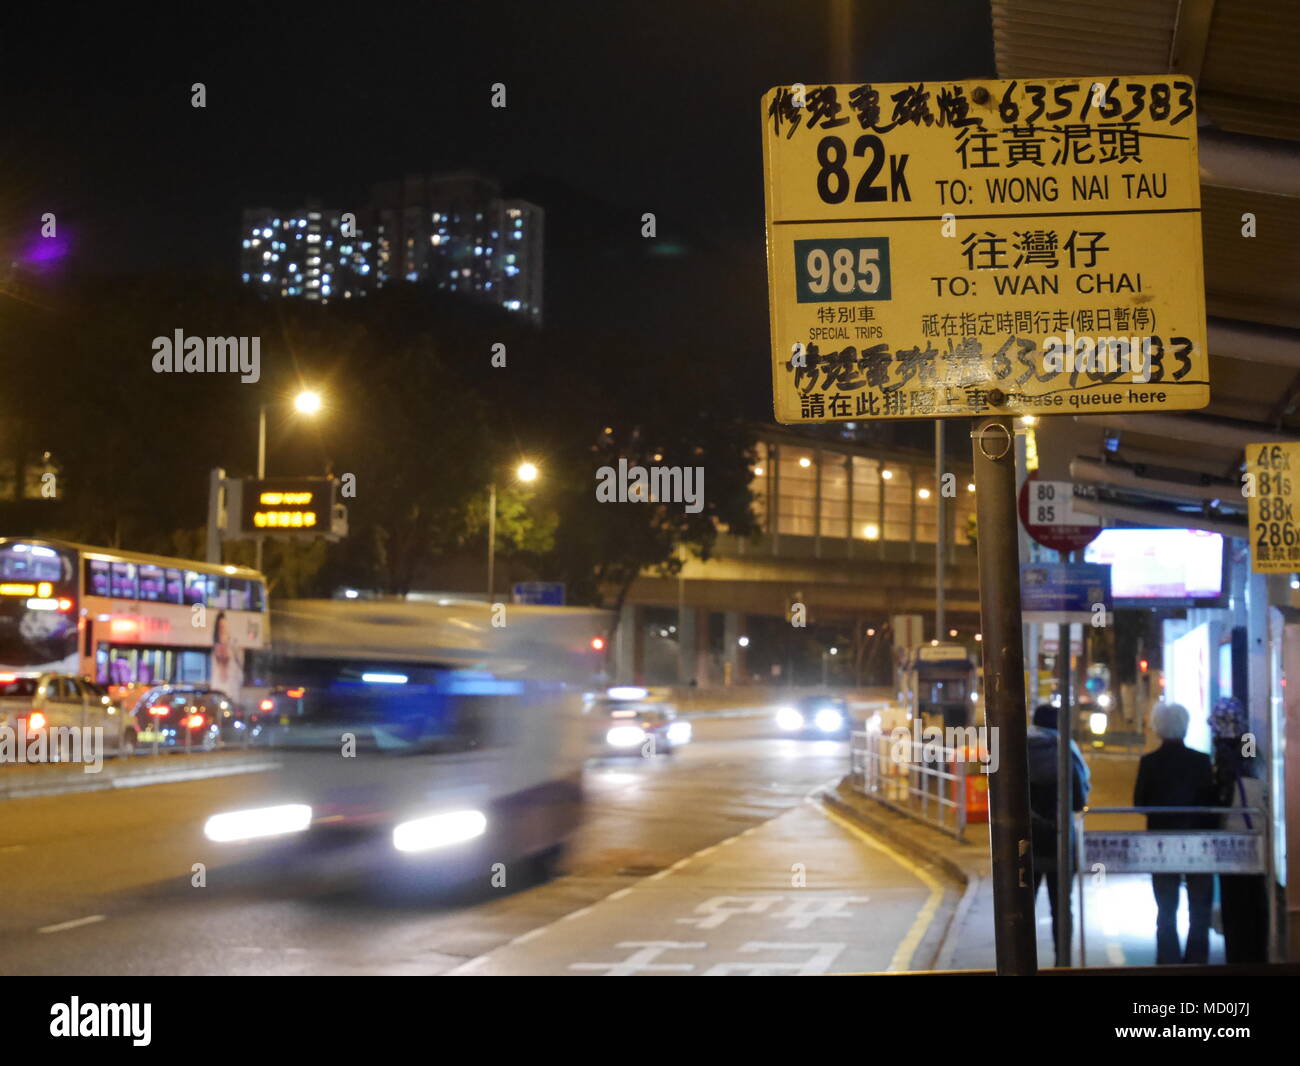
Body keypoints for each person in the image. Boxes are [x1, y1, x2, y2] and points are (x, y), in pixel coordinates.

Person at [1133, 702, 1217, 964]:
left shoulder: (1149, 763)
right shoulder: (1201, 761)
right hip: (1199, 842)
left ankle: (1167, 961)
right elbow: (1211, 802)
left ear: (1157, 728)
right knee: (1199, 908)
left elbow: (1140, 804)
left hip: (1161, 843)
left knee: (1166, 908)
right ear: (1185, 726)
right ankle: (1196, 960)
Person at [1026, 703, 1090, 966]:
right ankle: (1062, 964)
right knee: (1062, 908)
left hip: (1026, 844)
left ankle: (1022, 964)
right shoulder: (1067, 754)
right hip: (1060, 842)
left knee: (1022, 909)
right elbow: (1078, 802)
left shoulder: (1018, 752)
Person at [1208, 696, 1269, 963]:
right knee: (1255, 899)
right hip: (1253, 834)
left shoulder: (1222, 750)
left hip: (1231, 835)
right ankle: (1256, 951)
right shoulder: (1248, 743)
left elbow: (1225, 789)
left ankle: (1238, 954)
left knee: (1234, 901)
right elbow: (1254, 774)